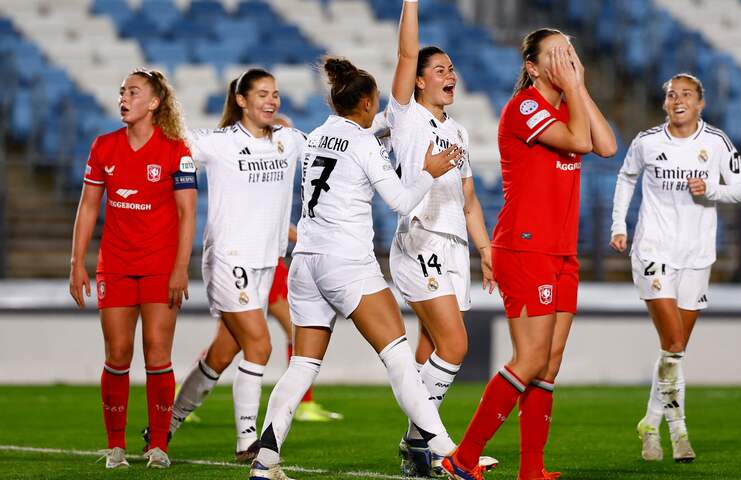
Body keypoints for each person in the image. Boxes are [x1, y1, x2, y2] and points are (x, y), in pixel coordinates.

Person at [248, 56, 460, 480]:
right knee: (399, 358)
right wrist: (428, 171)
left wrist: (388, 124)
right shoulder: (363, 143)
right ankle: (446, 451)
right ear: (364, 102)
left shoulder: (317, 136)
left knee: (303, 365)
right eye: (376, 103)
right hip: (346, 261)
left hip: (305, 263)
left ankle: (265, 460)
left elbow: (369, 131)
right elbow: (401, 200)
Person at [442, 29, 617, 480]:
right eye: (556, 55)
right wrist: (575, 87)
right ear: (533, 68)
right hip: (525, 246)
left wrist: (578, 87)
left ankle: (532, 470)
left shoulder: (566, 104)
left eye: (571, 52)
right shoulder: (525, 107)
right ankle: (462, 458)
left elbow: (608, 145)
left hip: (560, 250)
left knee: (550, 363)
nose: (567, 60)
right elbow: (581, 142)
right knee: (531, 358)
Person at [160, 68, 303, 462]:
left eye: (275, 94)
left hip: (266, 261)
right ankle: (246, 442)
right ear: (241, 100)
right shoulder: (218, 143)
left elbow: (335, 146)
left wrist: (383, 127)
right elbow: (171, 142)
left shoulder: (288, 141)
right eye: (261, 94)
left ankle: (163, 425)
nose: (271, 101)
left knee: (222, 354)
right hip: (229, 258)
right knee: (260, 344)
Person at [609, 73, 741, 463]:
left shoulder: (716, 142)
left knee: (675, 351)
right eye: (671, 94)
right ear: (665, 103)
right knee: (673, 342)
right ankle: (679, 431)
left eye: (686, 94)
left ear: (700, 103)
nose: (677, 99)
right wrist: (618, 225)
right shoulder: (647, 141)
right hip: (654, 250)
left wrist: (713, 191)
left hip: (697, 255)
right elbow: (626, 178)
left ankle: (650, 424)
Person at [386, 2, 496, 476]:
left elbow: (469, 199)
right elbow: (406, 50)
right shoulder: (406, 117)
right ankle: (434, 443)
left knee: (431, 348)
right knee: (456, 346)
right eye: (438, 69)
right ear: (418, 80)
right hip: (420, 240)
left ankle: (415, 447)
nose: (449, 74)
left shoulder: (459, 132)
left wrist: (486, 251)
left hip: (451, 246)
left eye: (452, 68)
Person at [69, 68, 197, 469]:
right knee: (118, 354)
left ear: (155, 103)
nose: (123, 98)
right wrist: (77, 263)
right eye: (122, 91)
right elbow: (89, 205)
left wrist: (181, 268)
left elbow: (187, 213)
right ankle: (116, 446)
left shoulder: (176, 149)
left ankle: (158, 445)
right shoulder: (104, 146)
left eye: (133, 92)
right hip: (116, 266)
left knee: (158, 355)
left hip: (161, 267)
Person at [267, 225, 343, 422]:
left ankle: (304, 403)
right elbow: (277, 223)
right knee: (293, 332)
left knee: (228, 343)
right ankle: (303, 404)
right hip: (263, 261)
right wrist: (311, 240)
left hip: (272, 261)